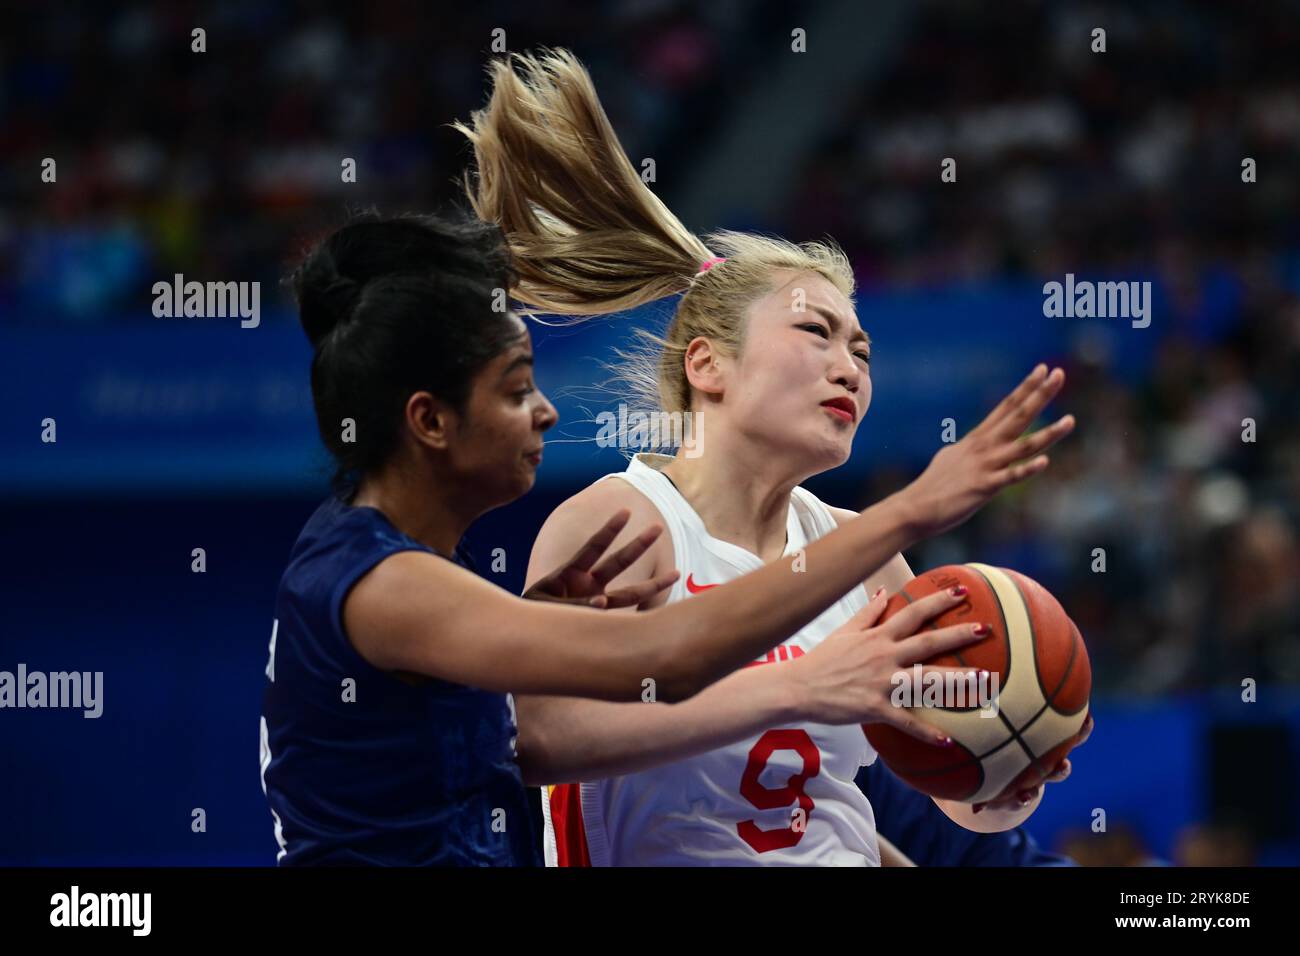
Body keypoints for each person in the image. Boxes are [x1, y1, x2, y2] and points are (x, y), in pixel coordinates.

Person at [452, 48, 1086, 865]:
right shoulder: (625, 521)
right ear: (708, 365)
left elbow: (947, 795)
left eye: (862, 349)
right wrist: (798, 687)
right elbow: (542, 739)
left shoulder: (863, 555)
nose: (850, 366)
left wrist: (1014, 762)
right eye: (816, 332)